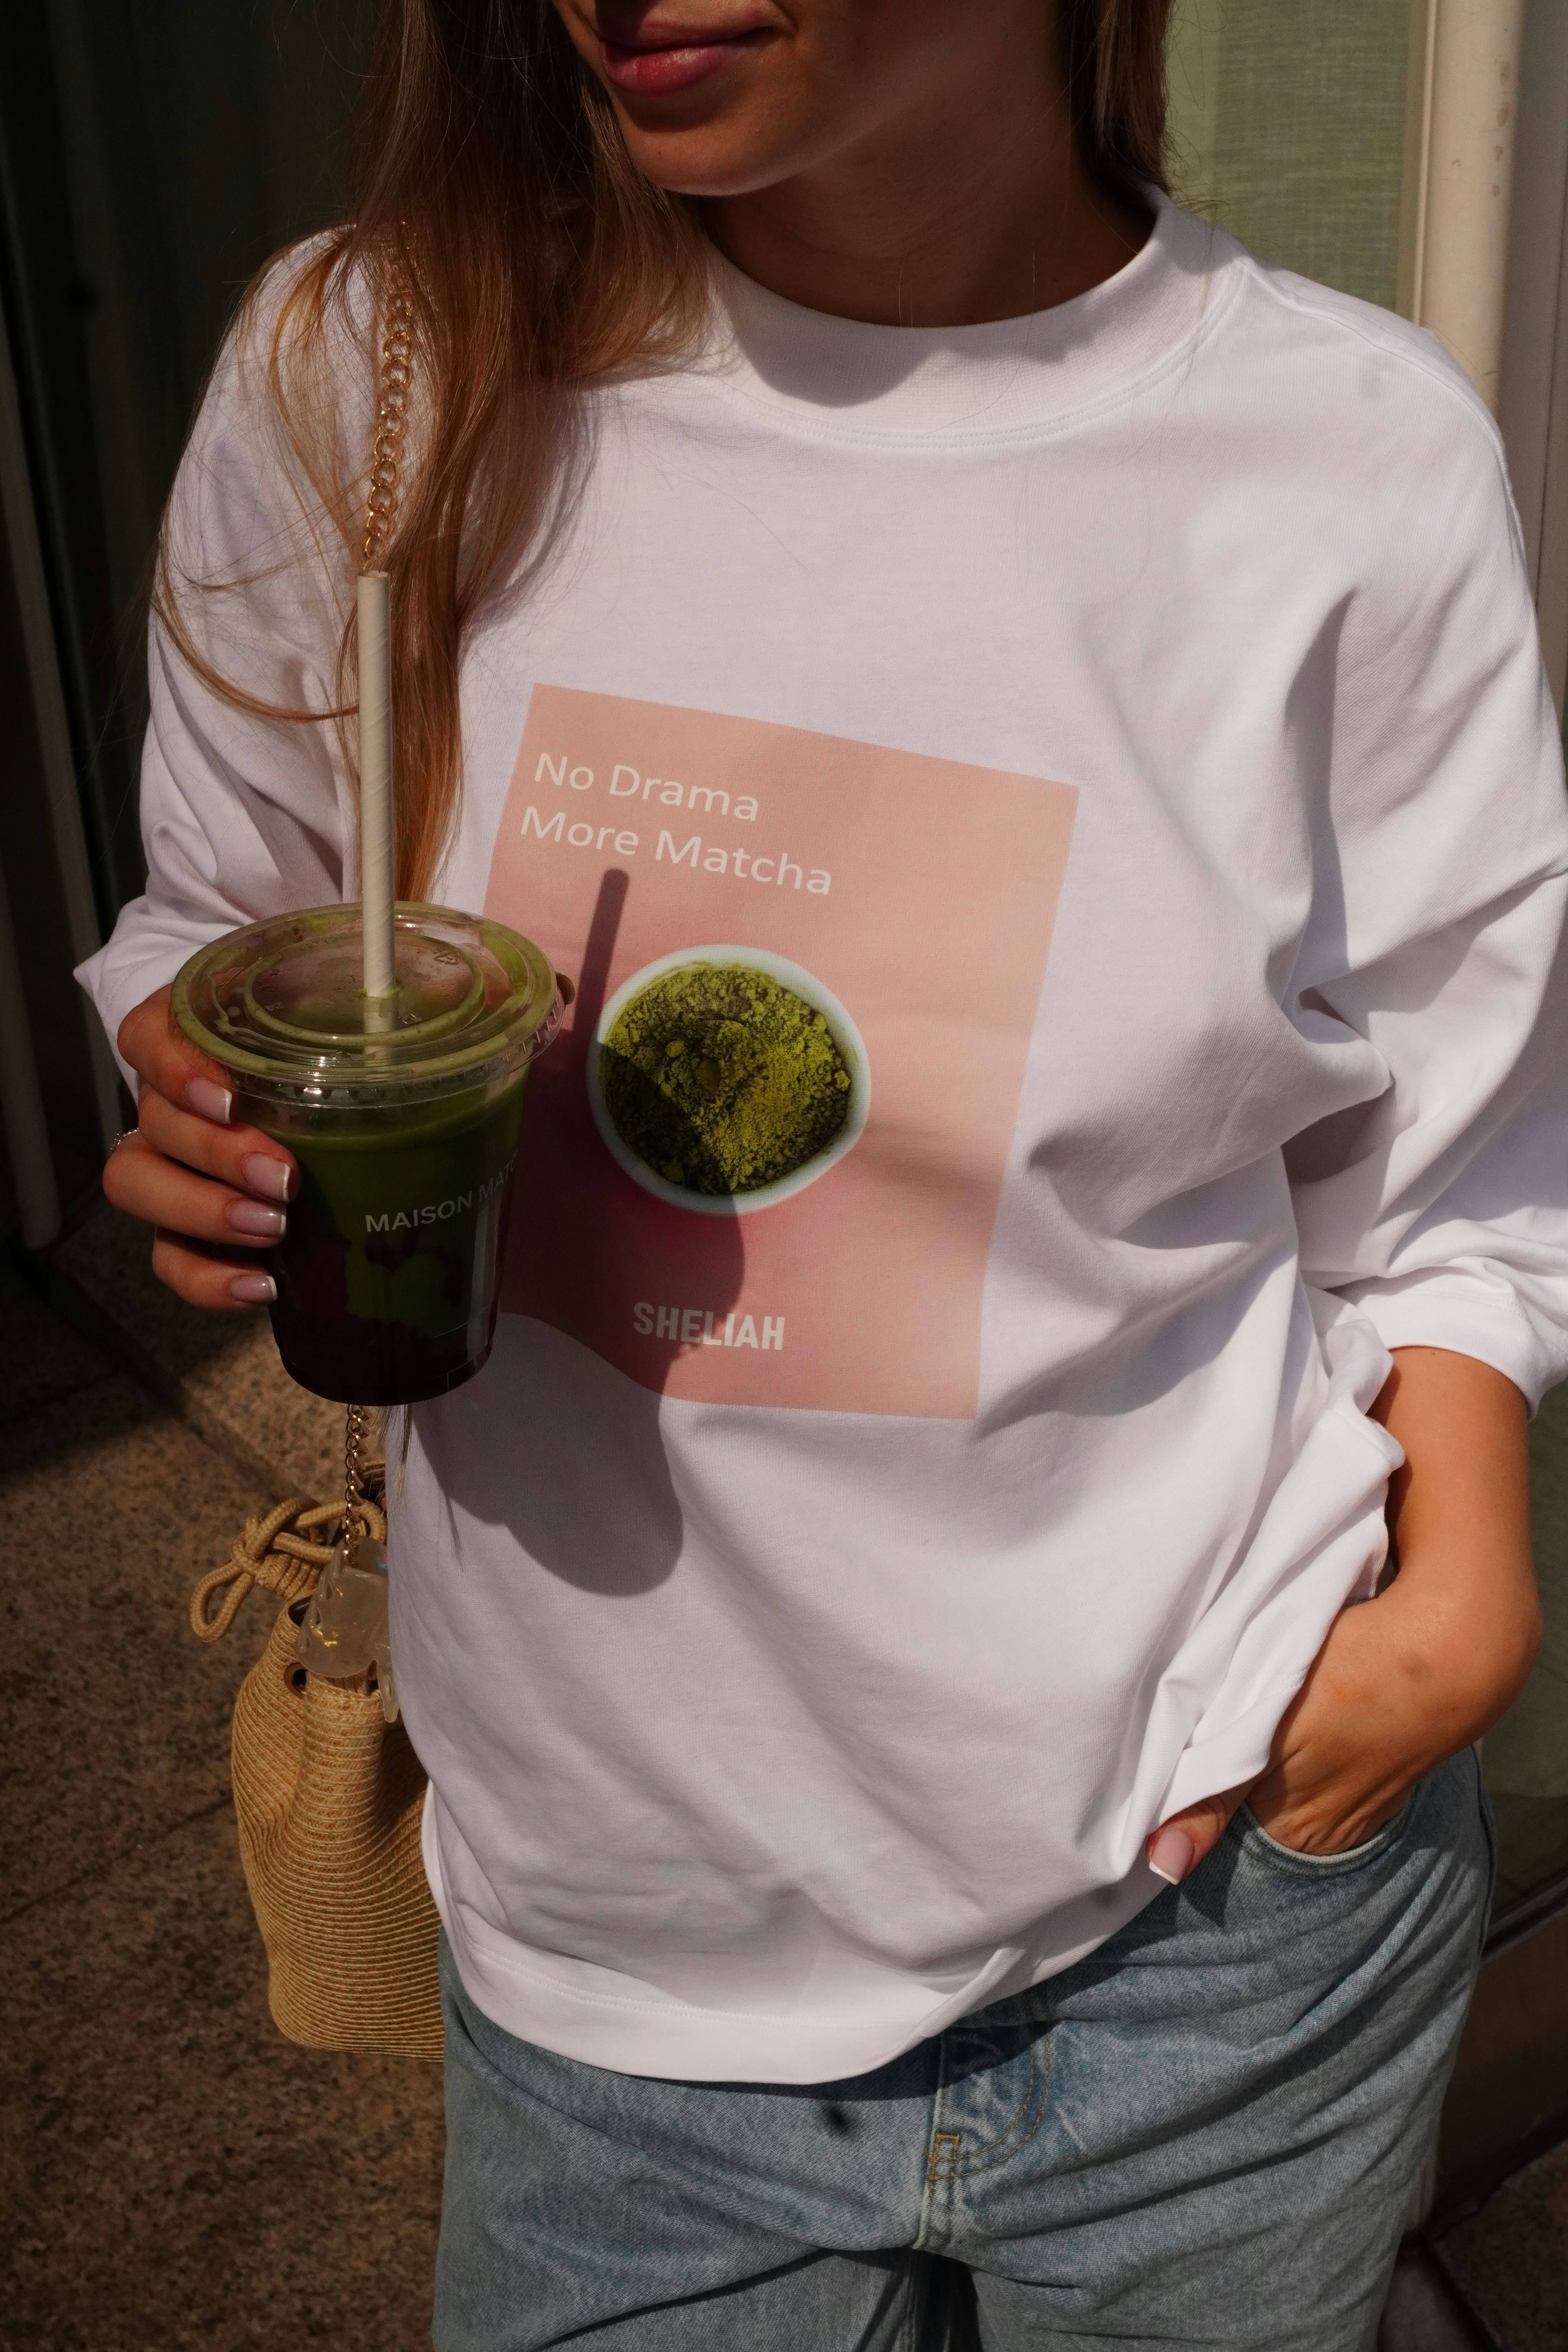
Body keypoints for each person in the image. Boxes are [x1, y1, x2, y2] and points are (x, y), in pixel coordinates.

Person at [80, 2, 1567, 2345]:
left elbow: (1454, 1186)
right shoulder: (372, 375)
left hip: (1217, 1928)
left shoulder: (1348, 461)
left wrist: (1452, 1616)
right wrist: (201, 1090)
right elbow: (227, 916)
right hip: (612, 1981)